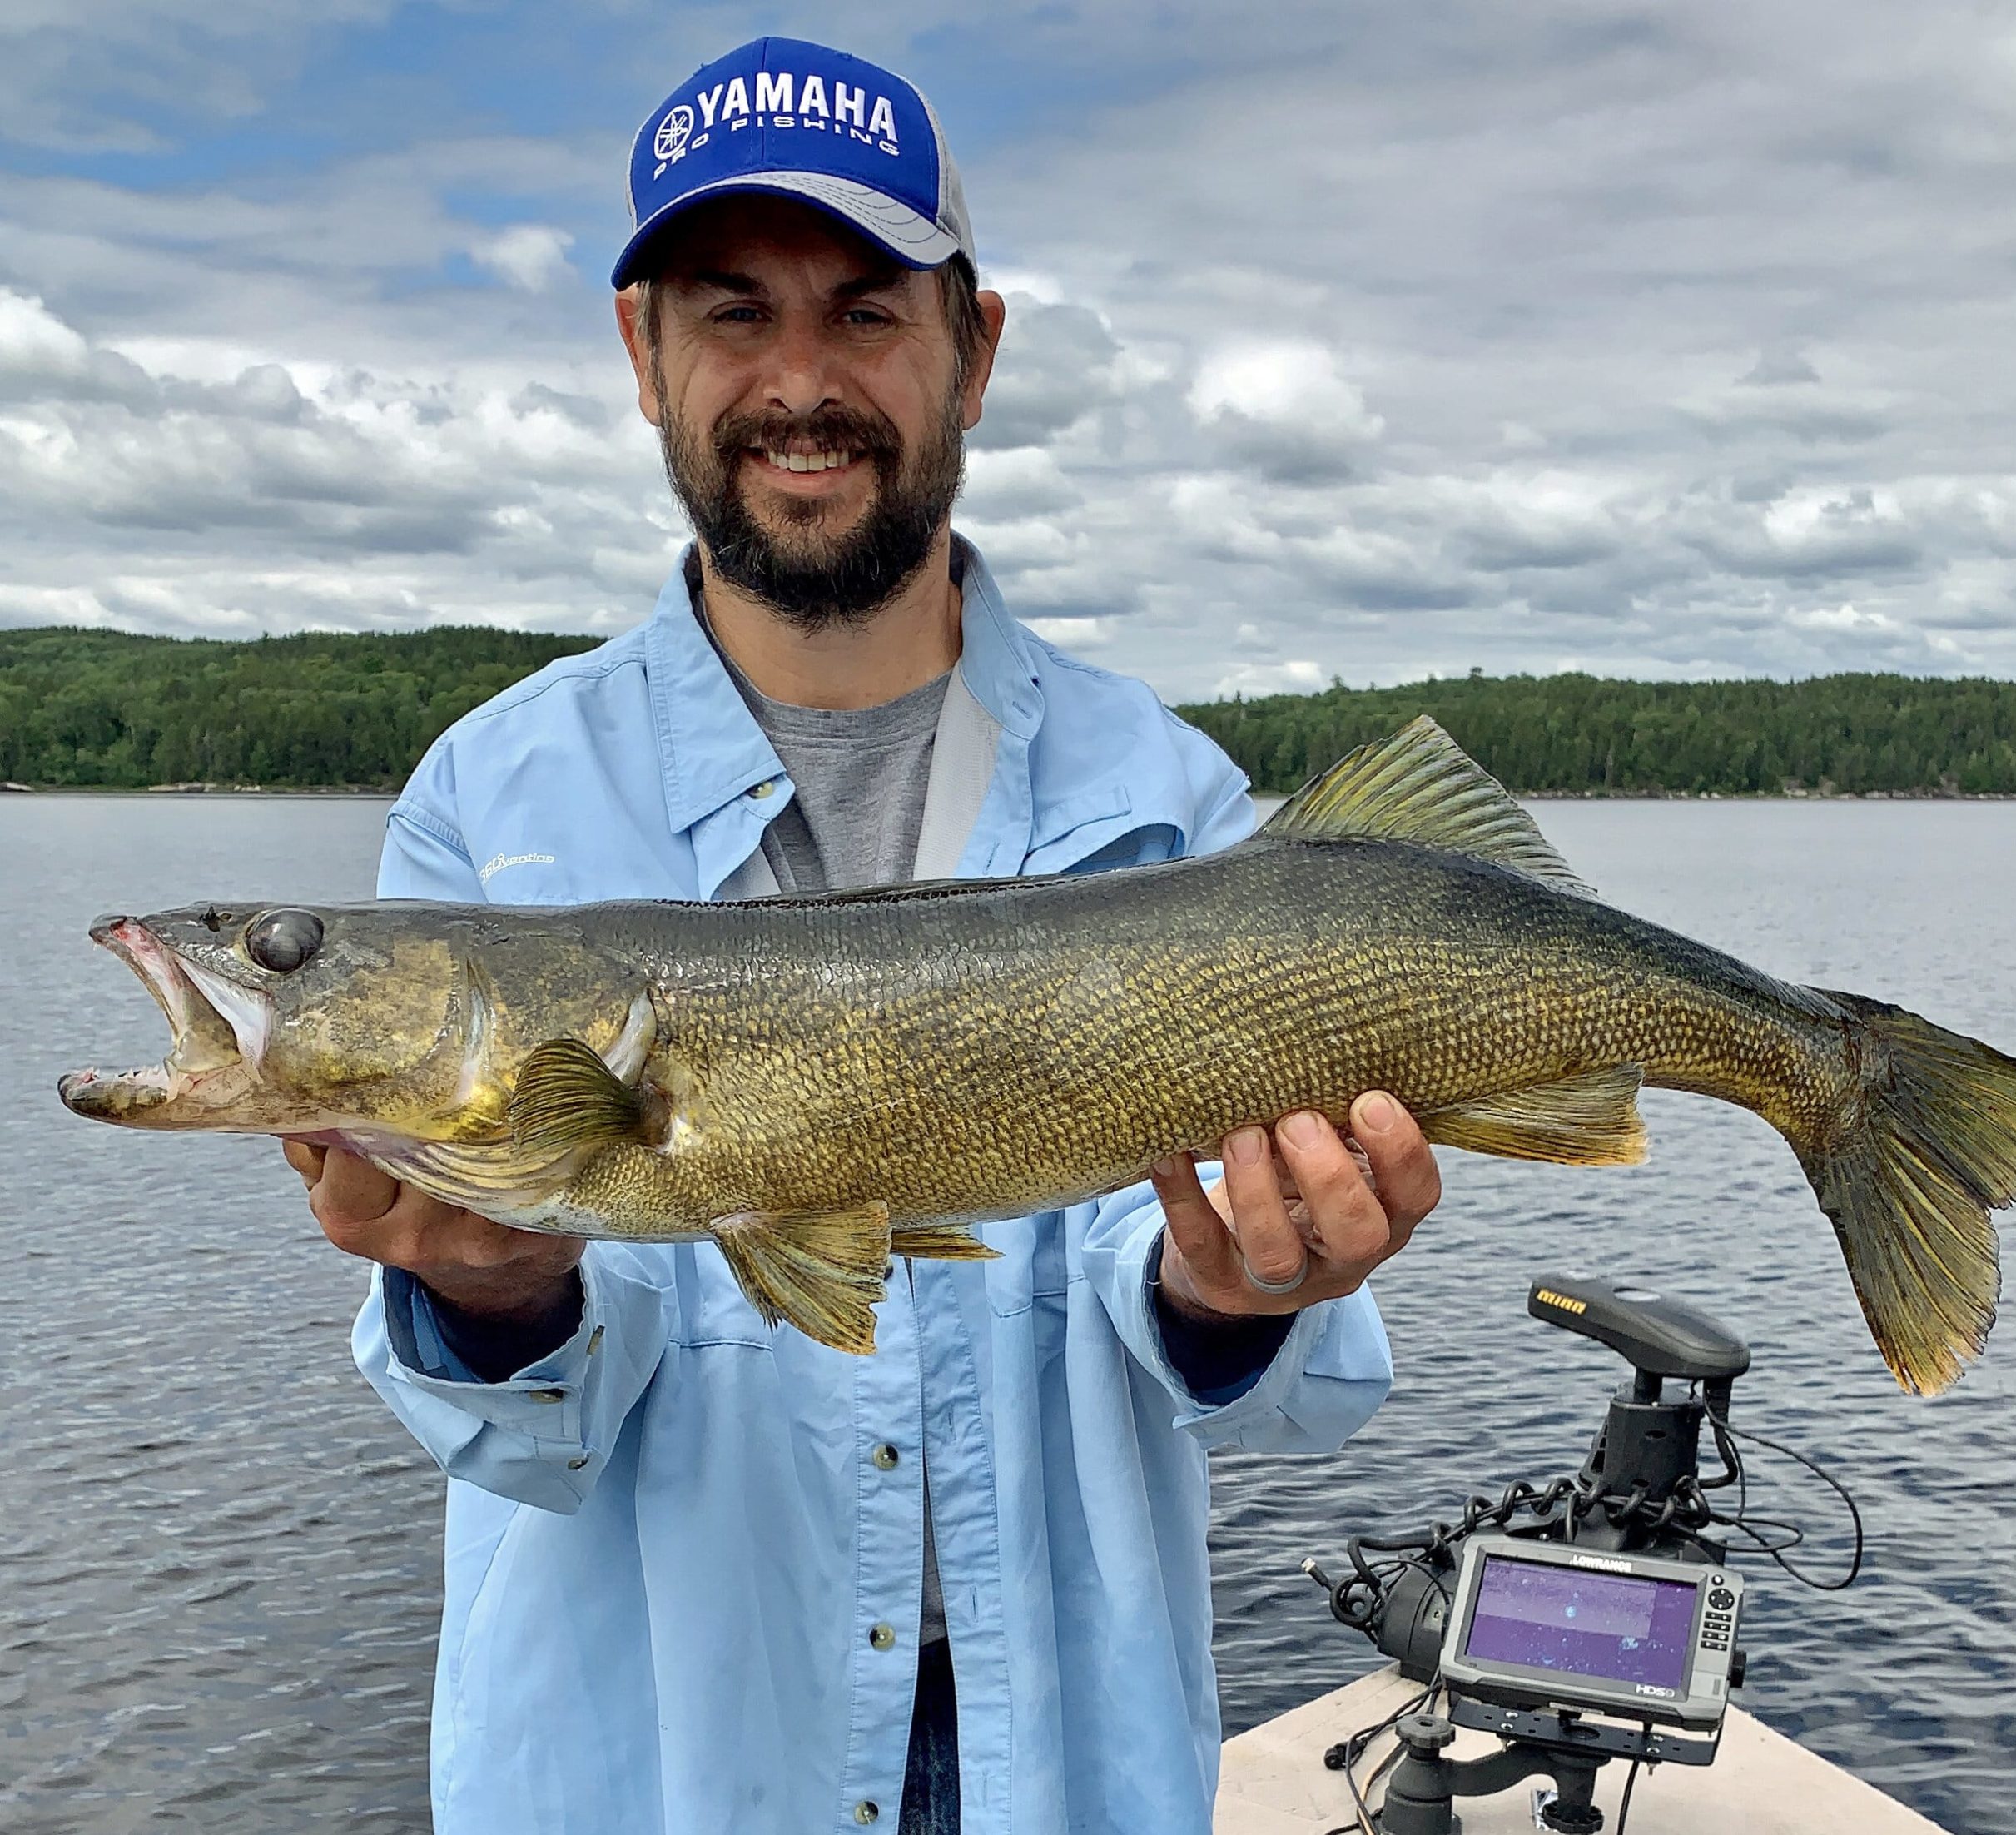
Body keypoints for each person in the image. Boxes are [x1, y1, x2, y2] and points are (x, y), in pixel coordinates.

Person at [284, 37, 1440, 1835]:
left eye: (866, 312)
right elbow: (520, 1445)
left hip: (1058, 1767)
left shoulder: (1171, 796)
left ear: (974, 353)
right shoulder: (486, 803)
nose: (799, 382)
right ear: (641, 354)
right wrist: (490, 1291)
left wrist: (1238, 1294)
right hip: (651, 1774)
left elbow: (1279, 1401)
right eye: (732, 313)